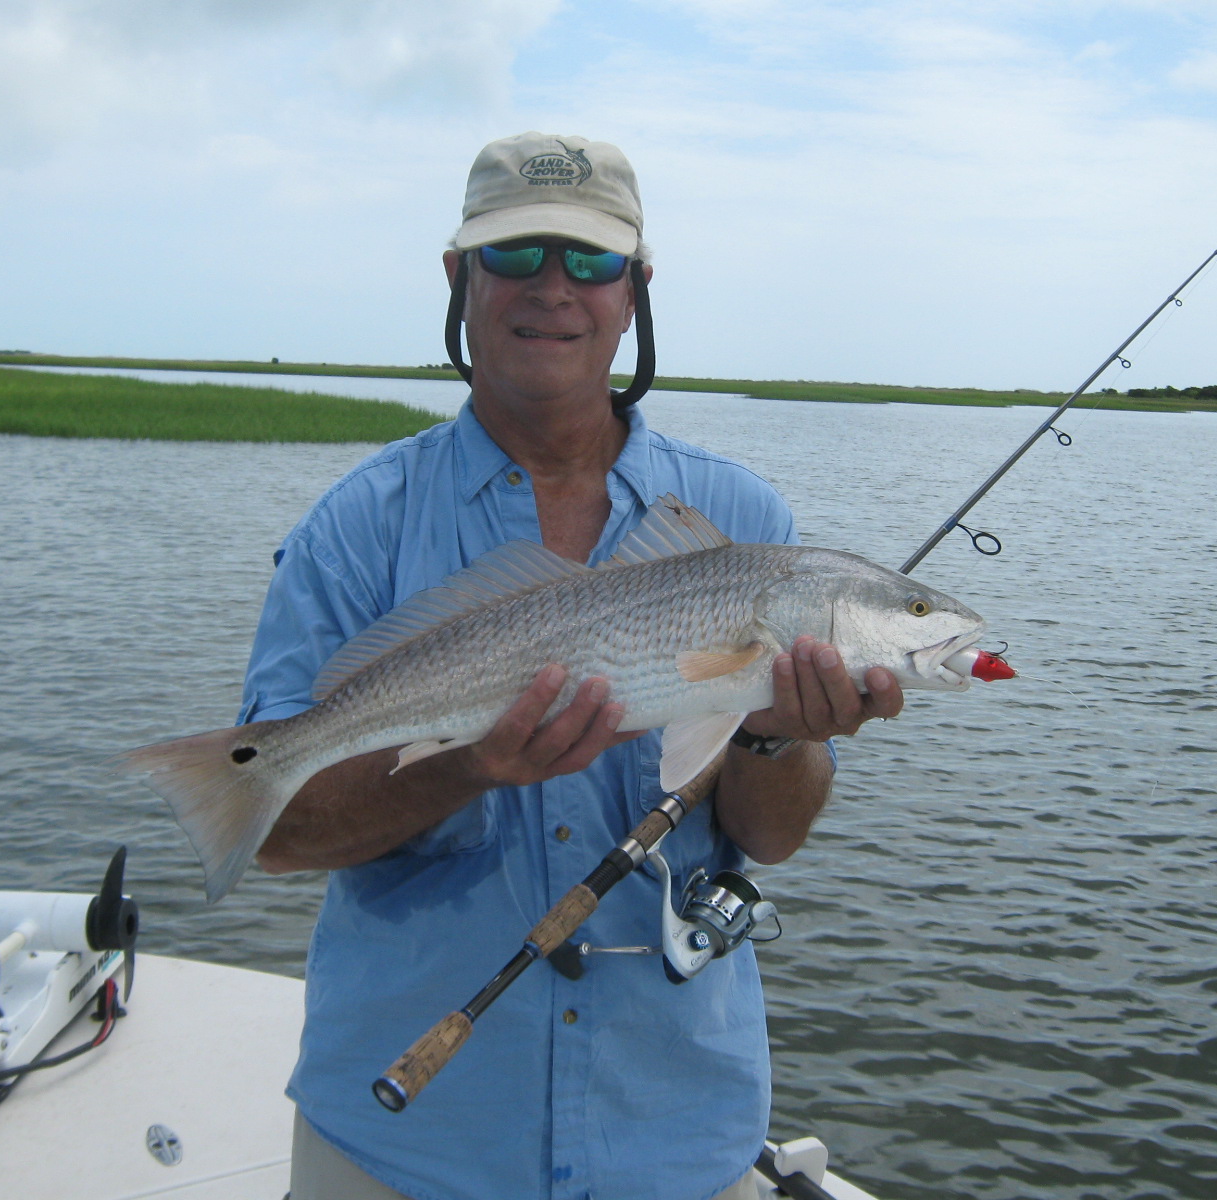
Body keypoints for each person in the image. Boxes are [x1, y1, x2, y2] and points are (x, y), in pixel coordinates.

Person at [241, 132, 903, 1200]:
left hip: (672, 1133)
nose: (554, 288)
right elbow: (276, 832)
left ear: (634, 292)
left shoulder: (743, 523)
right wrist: (466, 765)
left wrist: (775, 735)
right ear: (459, 278)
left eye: (592, 261)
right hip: (409, 1144)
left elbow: (771, 838)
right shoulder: (356, 528)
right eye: (515, 254)